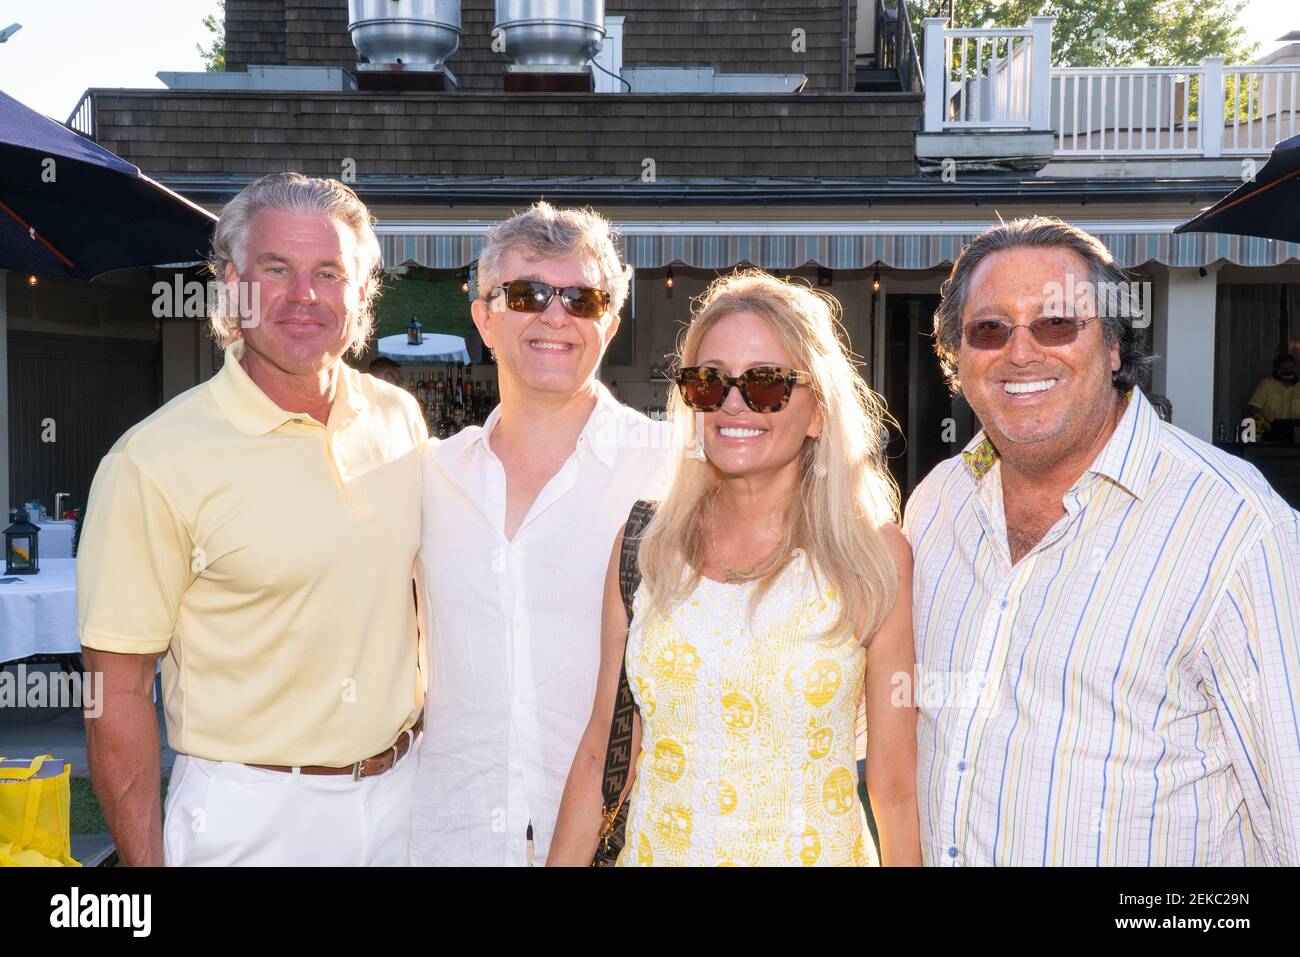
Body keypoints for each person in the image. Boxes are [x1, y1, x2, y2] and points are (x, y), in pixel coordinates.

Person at [906, 216, 1300, 866]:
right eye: (989, 328)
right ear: (958, 356)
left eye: (1057, 322)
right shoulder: (935, 506)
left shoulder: (1236, 527)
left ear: (1115, 346)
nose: (1021, 351)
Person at [78, 172, 427, 866]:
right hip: (251, 820)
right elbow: (114, 694)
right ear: (232, 284)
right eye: (277, 269)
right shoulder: (151, 461)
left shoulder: (399, 419)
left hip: (406, 801)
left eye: (329, 272)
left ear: (361, 293)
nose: (304, 296)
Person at [549, 268, 920, 867]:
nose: (732, 404)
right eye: (709, 382)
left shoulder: (871, 558)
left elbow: (895, 790)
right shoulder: (645, 544)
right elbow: (603, 753)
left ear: (818, 411)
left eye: (767, 383)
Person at [411, 202, 675, 866]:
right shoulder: (429, 478)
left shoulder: (675, 469)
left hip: (622, 840)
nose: (556, 315)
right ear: (484, 318)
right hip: (449, 838)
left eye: (582, 298)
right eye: (528, 294)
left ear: (609, 323)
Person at [1246, 353, 1300, 434]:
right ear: (1277, 370)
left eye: (1291, 368)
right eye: (1284, 370)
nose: (1289, 372)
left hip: (1296, 436)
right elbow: (1254, 409)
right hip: (1269, 433)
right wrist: (1269, 428)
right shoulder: (1266, 384)